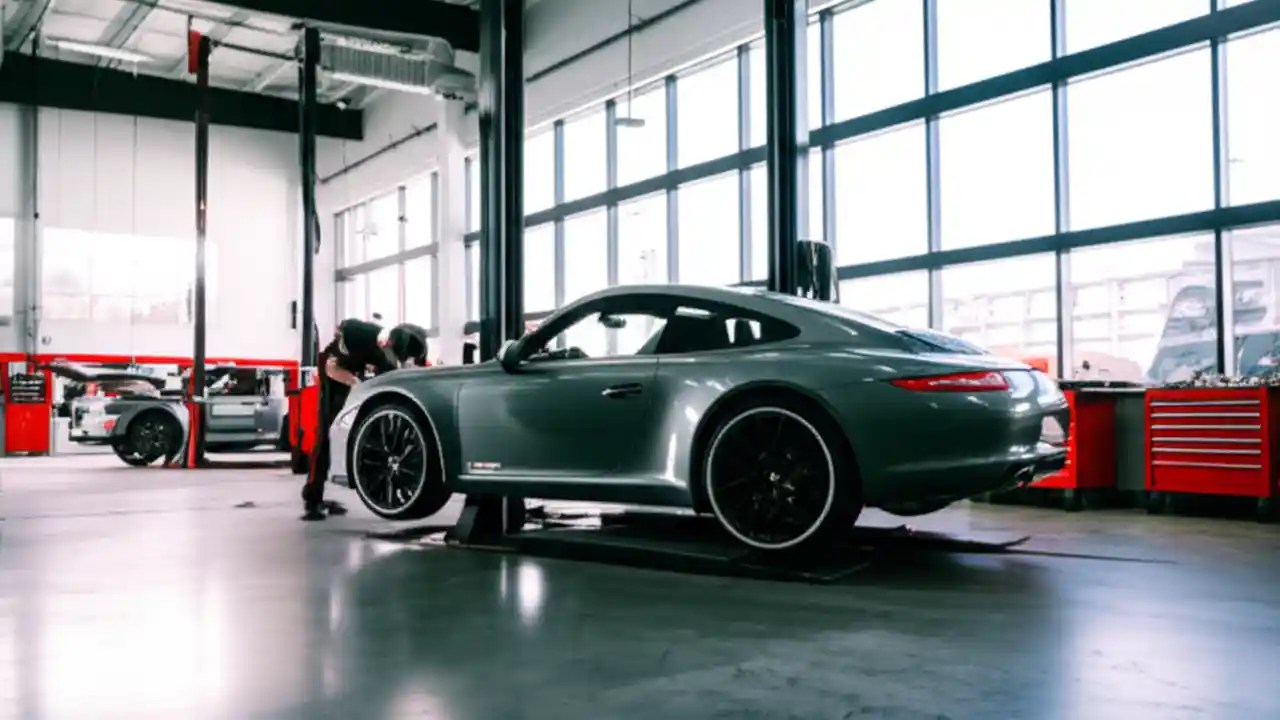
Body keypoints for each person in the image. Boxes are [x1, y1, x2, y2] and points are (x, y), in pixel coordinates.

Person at [300, 319, 431, 521]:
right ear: (388, 344)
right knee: (328, 431)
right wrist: (354, 382)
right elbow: (331, 367)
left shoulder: (395, 355)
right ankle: (313, 496)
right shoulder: (356, 333)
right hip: (337, 372)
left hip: (360, 370)